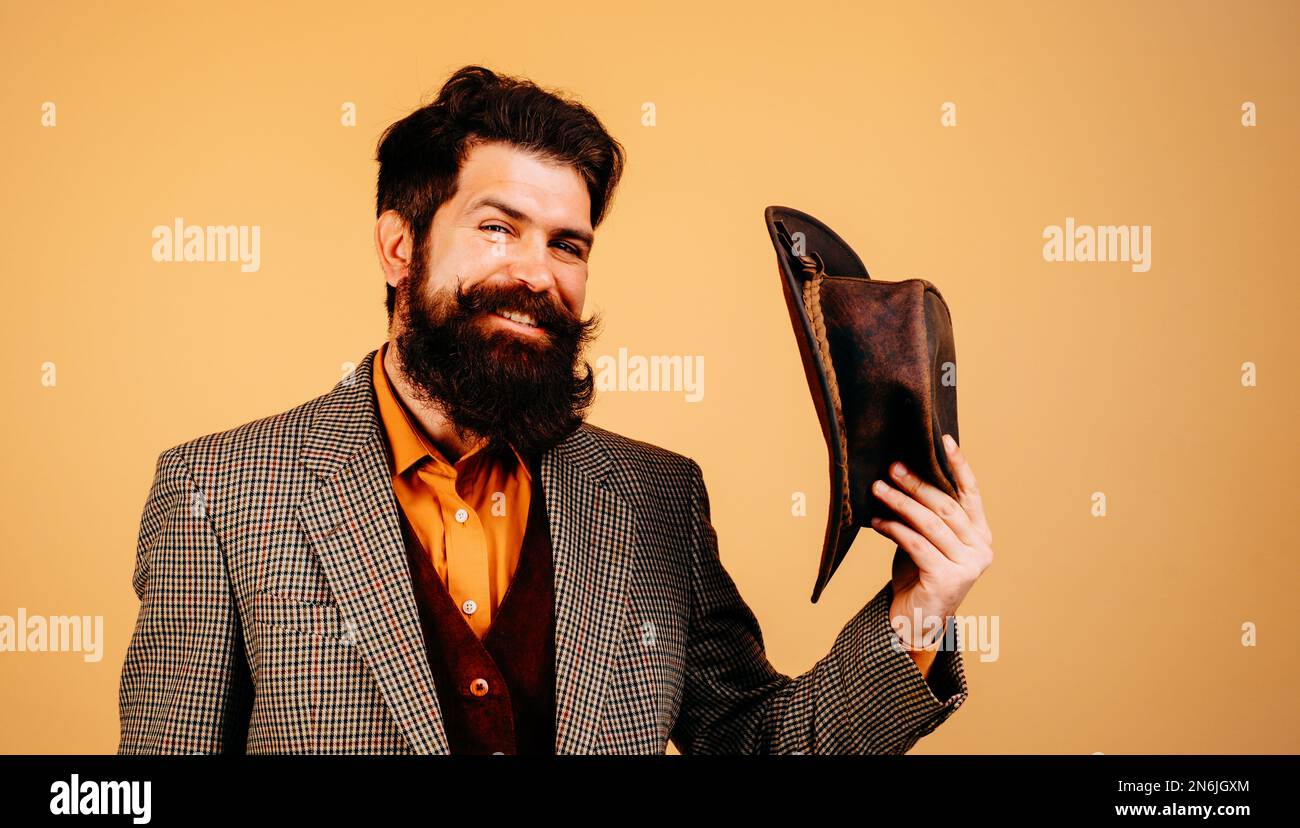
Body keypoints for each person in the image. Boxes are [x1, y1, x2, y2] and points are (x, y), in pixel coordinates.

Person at [117, 65, 993, 755]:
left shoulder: (657, 497)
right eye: (497, 228)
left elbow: (759, 747)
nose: (538, 275)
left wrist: (919, 604)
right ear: (398, 246)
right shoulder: (219, 493)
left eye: (566, 244)